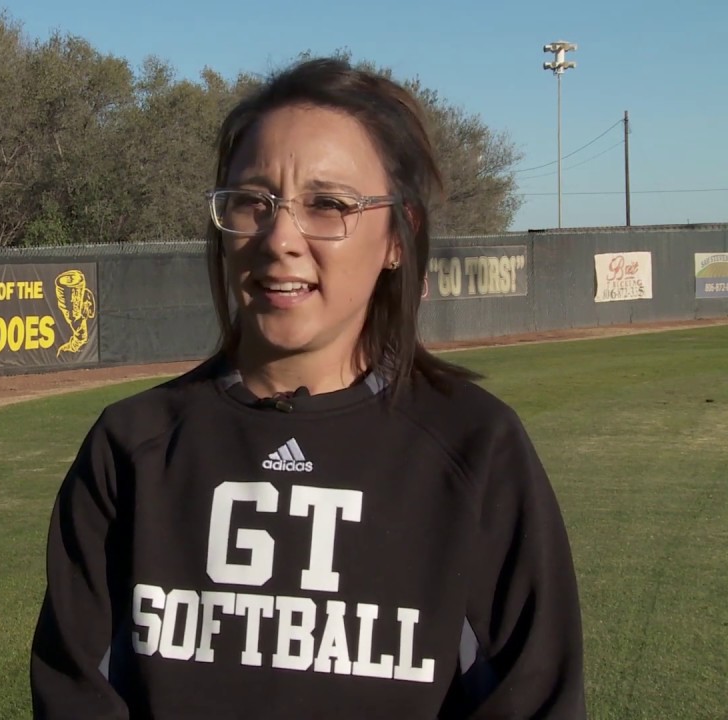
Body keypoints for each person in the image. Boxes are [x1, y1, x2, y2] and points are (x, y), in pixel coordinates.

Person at [29, 57, 586, 719]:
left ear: (397, 239)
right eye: (252, 203)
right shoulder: (132, 448)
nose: (280, 238)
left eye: (328, 205)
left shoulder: (477, 450)